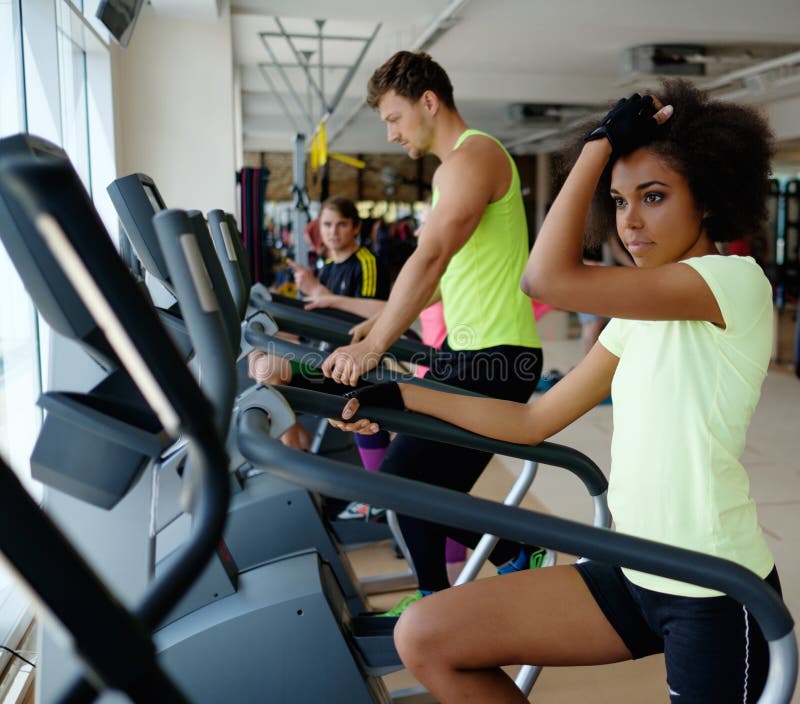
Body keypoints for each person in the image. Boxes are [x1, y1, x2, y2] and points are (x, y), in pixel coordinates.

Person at [330, 79, 781, 702]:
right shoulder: (636, 315)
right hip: (634, 569)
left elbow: (544, 277)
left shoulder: (729, 283)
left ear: (706, 198)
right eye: (618, 202)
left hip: (715, 589)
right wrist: (403, 396)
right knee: (427, 635)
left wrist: (598, 145)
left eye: (653, 197)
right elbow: (534, 420)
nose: (631, 222)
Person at [323, 51, 546, 613]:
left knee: (402, 480)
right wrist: (375, 325)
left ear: (429, 101)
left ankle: (454, 594)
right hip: (465, 352)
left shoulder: (471, 160)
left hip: (496, 357)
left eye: (395, 119)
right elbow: (446, 276)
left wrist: (375, 348)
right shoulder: (461, 168)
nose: (393, 134)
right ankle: (501, 561)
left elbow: (430, 257)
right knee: (411, 483)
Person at [249, 195, 389, 455]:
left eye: (341, 224)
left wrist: (321, 292)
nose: (332, 232)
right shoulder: (327, 267)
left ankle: (294, 452)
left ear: (356, 227)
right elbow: (320, 313)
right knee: (257, 354)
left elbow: (381, 314)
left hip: (348, 362)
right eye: (326, 225)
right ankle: (295, 437)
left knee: (267, 368)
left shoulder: (366, 263)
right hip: (322, 351)